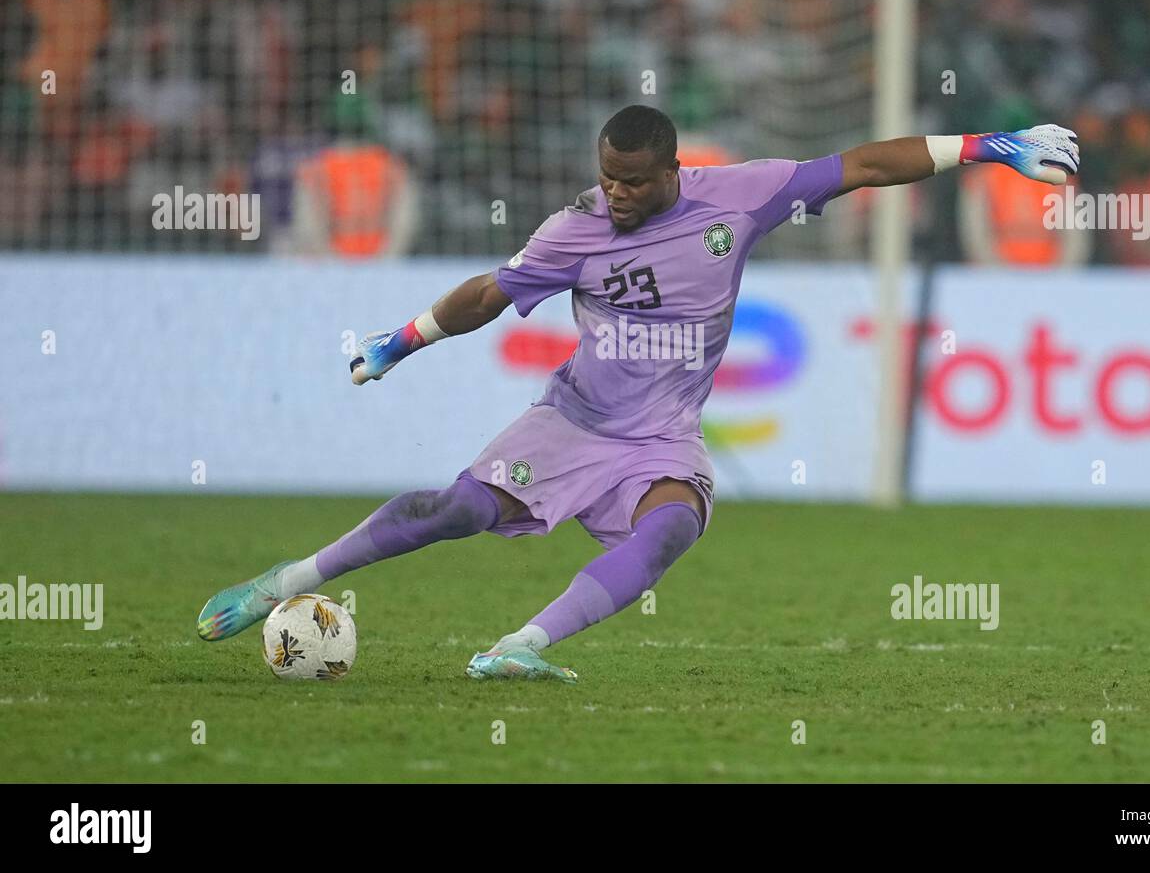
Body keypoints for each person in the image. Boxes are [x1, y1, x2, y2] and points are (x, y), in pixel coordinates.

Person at [196, 105, 1079, 682]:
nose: (615, 194)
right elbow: (491, 295)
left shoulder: (740, 197)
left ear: (672, 172)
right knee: (451, 510)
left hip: (662, 438)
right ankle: (286, 579)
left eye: (632, 181)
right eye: (607, 176)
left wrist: (989, 147)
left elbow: (860, 166)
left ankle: (519, 648)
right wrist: (404, 339)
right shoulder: (576, 226)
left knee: (673, 527)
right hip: (572, 421)